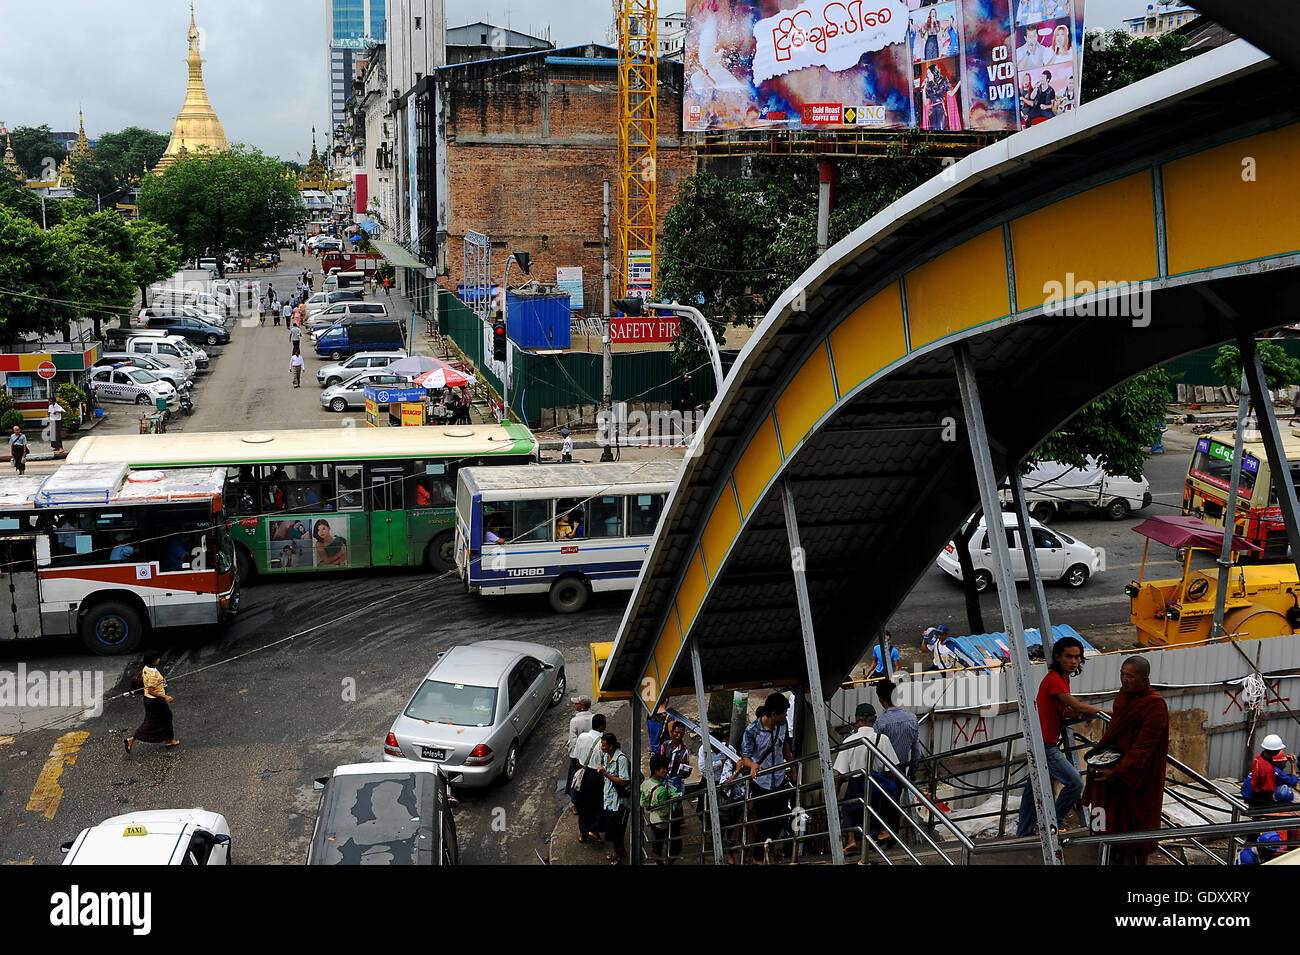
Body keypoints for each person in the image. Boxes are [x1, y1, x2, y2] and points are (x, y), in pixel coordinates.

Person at [1016, 636, 1110, 837]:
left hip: (1044, 741)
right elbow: (1075, 705)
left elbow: (1066, 709)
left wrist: (1080, 714)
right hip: (1044, 744)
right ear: (1057, 657)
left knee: (1034, 788)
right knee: (1075, 783)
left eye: (1077, 657)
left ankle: (1023, 833)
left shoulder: (1063, 678)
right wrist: (1109, 712)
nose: (1074, 661)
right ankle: (1052, 823)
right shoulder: (1054, 680)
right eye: (1069, 656)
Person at [1082, 656, 1170, 865]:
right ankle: (1105, 847)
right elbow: (1115, 732)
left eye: (1130, 676)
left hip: (1137, 776)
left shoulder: (1155, 706)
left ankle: (1127, 856)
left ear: (1144, 679)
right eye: (1122, 674)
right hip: (1114, 764)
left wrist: (1119, 772)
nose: (1124, 680)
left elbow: (1143, 747)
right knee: (1103, 809)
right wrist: (1100, 758)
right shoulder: (1123, 696)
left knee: (1132, 826)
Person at [833, 703, 900, 852]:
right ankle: (881, 833)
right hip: (876, 781)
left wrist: (836, 788)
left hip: (856, 783)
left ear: (856, 719)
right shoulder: (882, 739)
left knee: (848, 811)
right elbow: (890, 768)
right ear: (875, 719)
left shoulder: (849, 741)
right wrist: (892, 788)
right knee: (873, 811)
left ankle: (851, 841)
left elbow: (842, 772)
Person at [739, 692, 795, 863]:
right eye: (784, 712)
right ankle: (758, 858)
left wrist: (793, 768)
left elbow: (784, 746)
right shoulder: (752, 731)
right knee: (762, 821)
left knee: (783, 815)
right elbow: (745, 758)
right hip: (761, 782)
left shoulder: (782, 725)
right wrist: (753, 765)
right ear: (773, 713)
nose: (786, 715)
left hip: (778, 778)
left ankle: (770, 845)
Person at [124, 651, 180, 752]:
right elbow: (151, 691)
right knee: (164, 718)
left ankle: (168, 739)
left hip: (148, 700)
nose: (159, 659)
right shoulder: (153, 674)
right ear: (153, 661)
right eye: (157, 658)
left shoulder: (146, 668)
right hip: (156, 701)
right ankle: (169, 740)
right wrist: (165, 697)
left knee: (155, 720)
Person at [654, 720, 693, 860]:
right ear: (671, 733)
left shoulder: (685, 750)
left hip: (676, 780)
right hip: (665, 778)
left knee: (676, 804)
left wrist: (684, 772)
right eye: (676, 732)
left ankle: (675, 820)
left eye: (681, 733)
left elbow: (686, 768)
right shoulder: (665, 745)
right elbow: (661, 760)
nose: (678, 735)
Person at [597, 732, 632, 864]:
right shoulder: (607, 756)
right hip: (609, 799)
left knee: (615, 830)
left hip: (619, 801)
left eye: (604, 745)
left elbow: (623, 781)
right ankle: (621, 850)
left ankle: (616, 855)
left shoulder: (620, 759)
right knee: (616, 829)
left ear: (611, 746)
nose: (602, 747)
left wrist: (606, 774)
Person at [573, 713, 607, 843]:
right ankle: (594, 830)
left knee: (583, 805)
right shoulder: (603, 742)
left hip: (583, 773)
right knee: (597, 805)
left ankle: (583, 833)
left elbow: (576, 757)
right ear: (602, 726)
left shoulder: (582, 737)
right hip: (597, 776)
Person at [1241, 734, 1299, 806]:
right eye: (1285, 761)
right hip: (1256, 798)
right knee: (1283, 791)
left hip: (1246, 794)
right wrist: (1293, 764)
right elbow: (1293, 782)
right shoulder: (1271, 770)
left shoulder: (1260, 757)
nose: (1286, 763)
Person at [641, 754, 675, 863]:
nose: (666, 770)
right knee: (665, 845)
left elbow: (642, 803)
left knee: (657, 842)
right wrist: (674, 802)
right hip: (662, 822)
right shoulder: (662, 790)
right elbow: (665, 812)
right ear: (656, 770)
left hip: (652, 819)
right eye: (664, 768)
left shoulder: (645, 784)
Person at [566, 696, 595, 811]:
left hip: (577, 756)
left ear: (582, 707)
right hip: (591, 754)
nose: (575, 705)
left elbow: (573, 741)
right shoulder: (593, 718)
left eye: (576, 703)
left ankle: (575, 804)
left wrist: (576, 757)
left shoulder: (575, 721)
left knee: (576, 778)